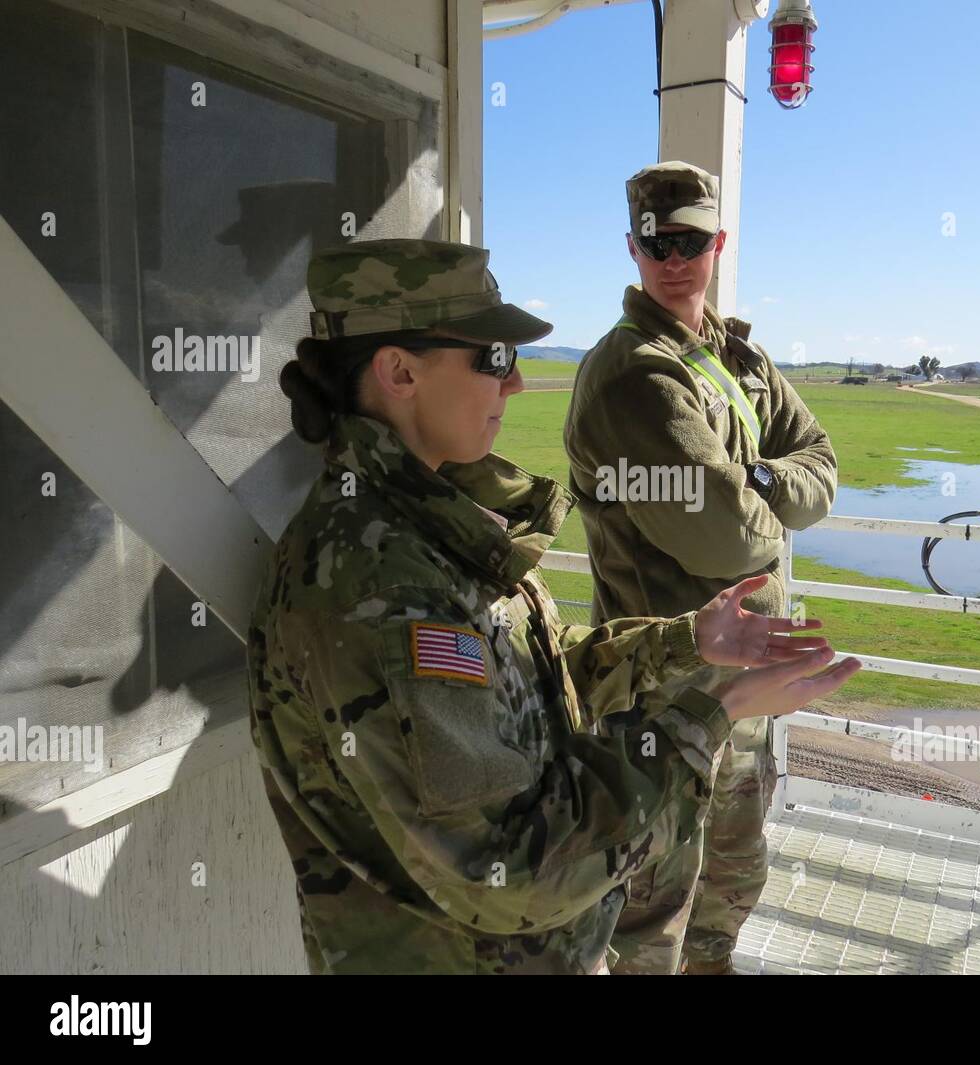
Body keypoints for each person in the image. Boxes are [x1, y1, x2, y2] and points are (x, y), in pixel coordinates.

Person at [246, 238, 859, 974]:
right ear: (399, 371)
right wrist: (710, 715)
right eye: (494, 359)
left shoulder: (426, 522)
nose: (516, 387)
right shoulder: (380, 583)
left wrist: (687, 642)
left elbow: (533, 675)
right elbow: (509, 870)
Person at [563, 163, 840, 974]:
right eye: (655, 241)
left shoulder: (734, 359)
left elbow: (821, 463)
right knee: (652, 918)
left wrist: (758, 480)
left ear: (717, 243)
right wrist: (765, 508)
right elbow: (728, 540)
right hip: (664, 694)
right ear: (631, 246)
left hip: (741, 688)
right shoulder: (635, 375)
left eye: (689, 239)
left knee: (729, 884)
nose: (671, 256)